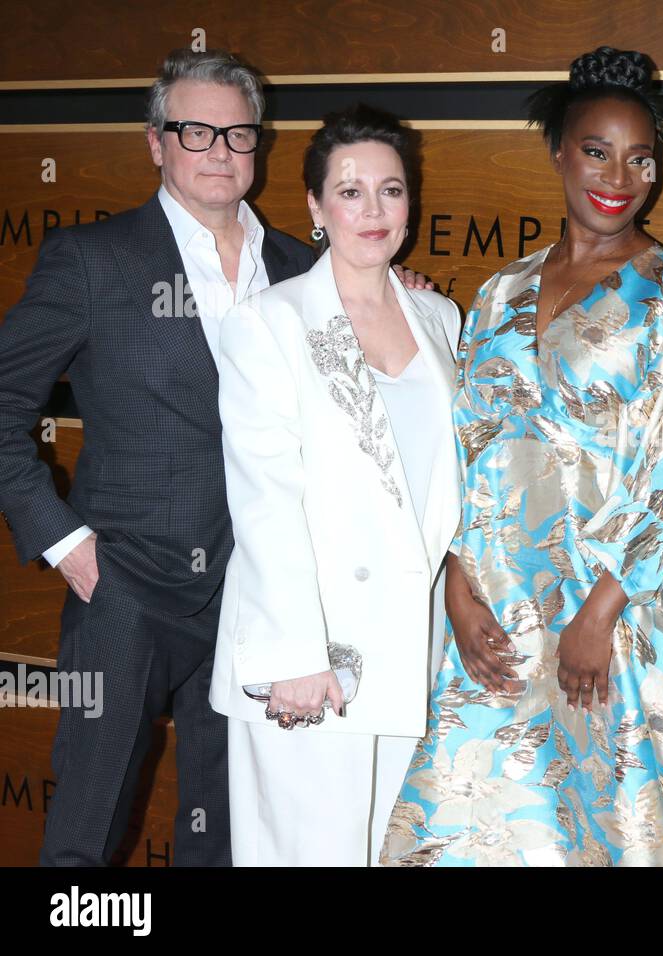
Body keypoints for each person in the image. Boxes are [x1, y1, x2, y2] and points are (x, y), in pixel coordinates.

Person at [381, 47, 663, 867]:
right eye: (596, 150)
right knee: (482, 833)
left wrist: (598, 612)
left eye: (640, 158)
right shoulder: (500, 294)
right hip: (502, 616)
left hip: (620, 626)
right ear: (559, 151)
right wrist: (454, 578)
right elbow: (464, 453)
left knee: (610, 832)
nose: (619, 175)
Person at [0, 49, 316, 866]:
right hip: (127, 588)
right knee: (86, 840)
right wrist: (70, 550)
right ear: (156, 143)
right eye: (194, 130)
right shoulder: (92, 261)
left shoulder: (304, 269)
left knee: (228, 833)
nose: (218, 149)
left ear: (259, 144)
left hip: (254, 603)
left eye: (237, 133)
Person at [209, 104, 461, 866]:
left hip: (414, 652)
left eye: (391, 189)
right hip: (314, 657)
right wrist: (293, 655)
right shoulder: (270, 322)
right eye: (350, 192)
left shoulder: (440, 316)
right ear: (316, 207)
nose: (373, 209)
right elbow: (263, 499)